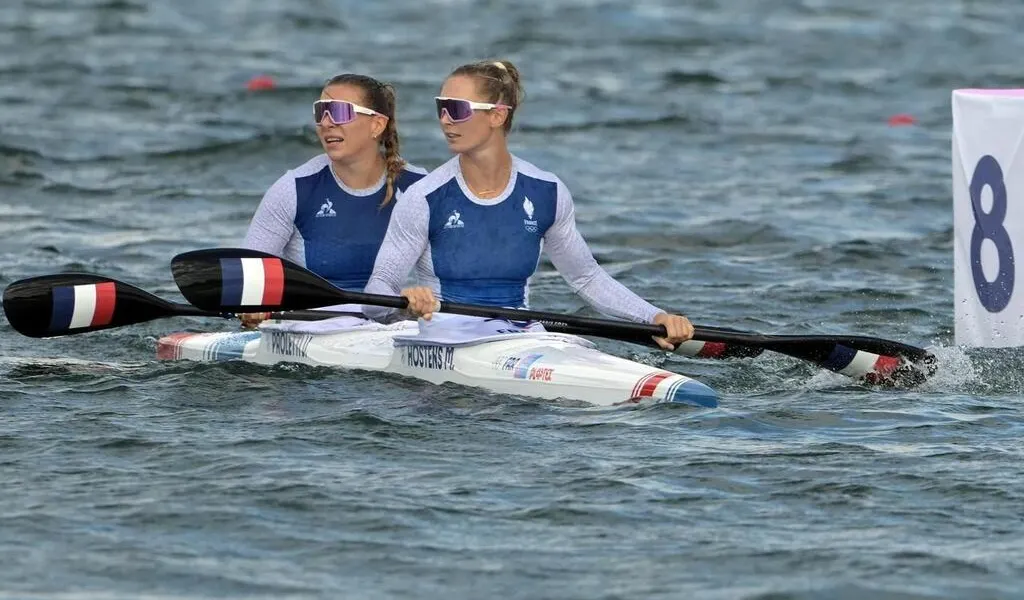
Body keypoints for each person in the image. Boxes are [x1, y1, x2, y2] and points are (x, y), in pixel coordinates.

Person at [363, 60, 694, 350]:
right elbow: (377, 293)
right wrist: (406, 304)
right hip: (442, 335)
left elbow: (587, 279)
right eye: (442, 108)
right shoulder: (425, 197)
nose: (446, 120)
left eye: (458, 109)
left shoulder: (546, 191)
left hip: (519, 336)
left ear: (496, 115)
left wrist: (656, 316)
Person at [240, 74, 428, 328]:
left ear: (377, 125)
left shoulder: (421, 189)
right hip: (313, 328)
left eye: (339, 112)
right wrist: (252, 306)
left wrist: (420, 300)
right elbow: (249, 280)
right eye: (321, 112)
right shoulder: (294, 189)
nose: (326, 123)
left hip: (394, 325)